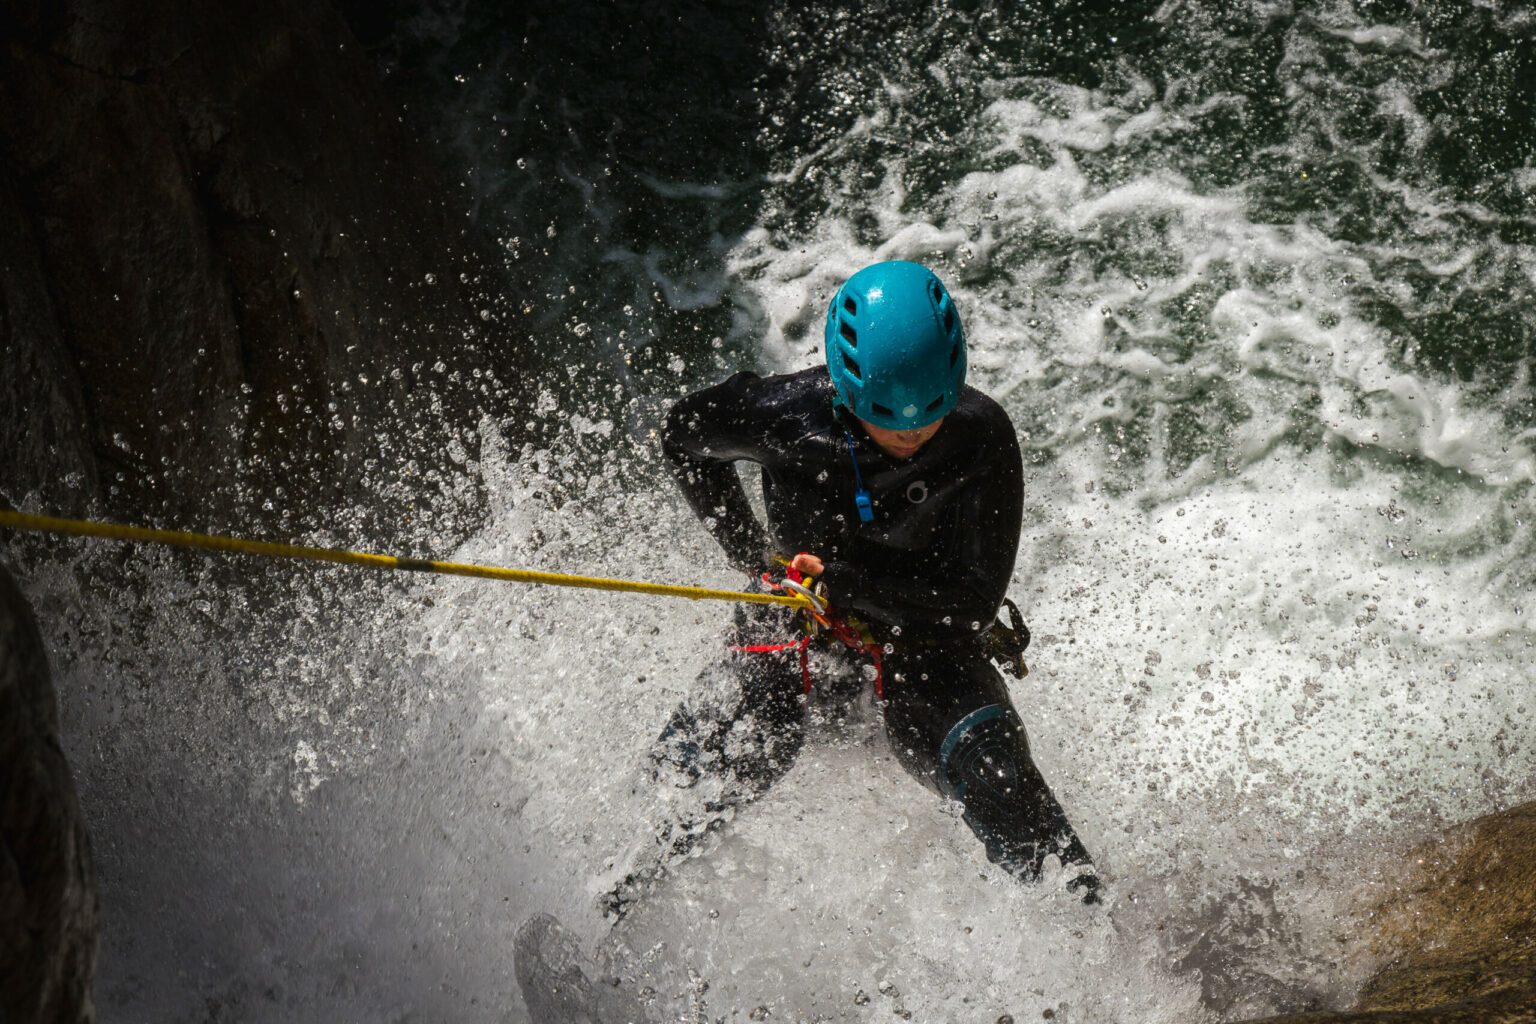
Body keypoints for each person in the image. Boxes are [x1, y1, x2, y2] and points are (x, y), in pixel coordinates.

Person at [604, 260, 1097, 919]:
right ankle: (607, 905)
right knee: (702, 771)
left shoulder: (980, 437)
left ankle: (1097, 932)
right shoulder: (785, 419)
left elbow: (971, 604)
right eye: (889, 422)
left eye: (929, 419)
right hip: (798, 633)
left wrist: (842, 581)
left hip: (923, 649)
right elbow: (684, 436)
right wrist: (752, 556)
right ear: (845, 387)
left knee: (997, 776)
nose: (912, 437)